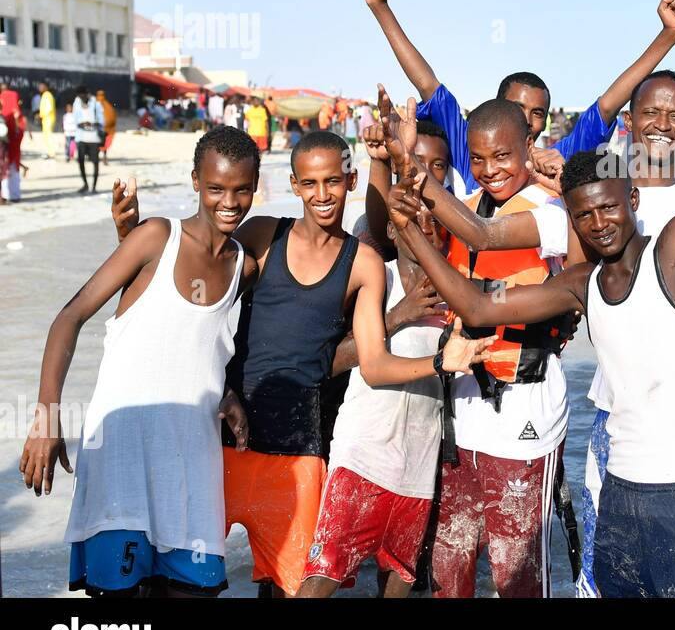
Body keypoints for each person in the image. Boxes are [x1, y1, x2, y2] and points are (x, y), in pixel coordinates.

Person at [387, 0, 675, 597]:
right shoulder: (575, 246)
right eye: (585, 213)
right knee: (570, 578)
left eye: (534, 122)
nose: (598, 222)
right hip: (583, 436)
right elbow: (480, 259)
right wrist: (412, 194)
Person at [112, 129, 466, 597]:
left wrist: (432, 350)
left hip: (300, 448)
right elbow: (196, 292)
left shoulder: (363, 264)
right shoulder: (262, 236)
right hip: (224, 441)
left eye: (334, 182)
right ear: (295, 185)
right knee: (178, 580)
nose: (323, 195)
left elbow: (366, 357)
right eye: (311, 183)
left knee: (287, 588)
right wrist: (129, 241)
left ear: (351, 181)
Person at [20, 128, 263, 596]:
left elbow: (199, 341)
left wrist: (226, 387)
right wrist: (47, 416)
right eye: (215, 188)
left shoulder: (242, 268)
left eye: (242, 190)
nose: (229, 201)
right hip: (122, 459)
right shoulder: (156, 237)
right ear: (195, 180)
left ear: (256, 186)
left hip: (191, 467)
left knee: (193, 590)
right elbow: (69, 317)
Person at [379, 94, 579, 599]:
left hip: (525, 405)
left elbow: (485, 237)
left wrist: (414, 169)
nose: (490, 170)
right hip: (464, 405)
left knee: (518, 571)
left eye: (503, 157)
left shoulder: (550, 212)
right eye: (478, 159)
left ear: (530, 146)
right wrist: (397, 183)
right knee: (451, 562)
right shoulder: (462, 207)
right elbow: (420, 261)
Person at [299, 138, 493, 597]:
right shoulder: (374, 276)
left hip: (420, 463)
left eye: (432, 213)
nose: (423, 220)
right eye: (411, 213)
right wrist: (399, 315)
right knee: (322, 576)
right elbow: (328, 362)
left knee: (400, 583)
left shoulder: (460, 288)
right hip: (362, 456)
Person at [361, 0, 675, 195]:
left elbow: (609, 104)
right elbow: (427, 83)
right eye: (518, 108)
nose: (527, 120)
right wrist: (381, 8)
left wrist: (668, 35)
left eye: (537, 112)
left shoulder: (559, 159)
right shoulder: (468, 150)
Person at [72, 86, 104, 193]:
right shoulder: (76, 103)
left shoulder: (96, 104)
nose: (81, 97)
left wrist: (93, 124)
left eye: (83, 95)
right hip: (81, 137)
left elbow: (101, 121)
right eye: (79, 95)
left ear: (87, 94)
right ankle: (85, 184)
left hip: (93, 138)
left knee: (95, 162)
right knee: (81, 161)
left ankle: (94, 187)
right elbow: (74, 119)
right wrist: (81, 124)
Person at [95, 90, 117, 166]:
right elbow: (113, 116)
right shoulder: (107, 105)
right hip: (105, 129)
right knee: (103, 145)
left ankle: (97, 158)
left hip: (99, 129)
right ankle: (103, 158)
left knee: (97, 144)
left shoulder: (95, 104)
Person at [39, 82, 57, 159]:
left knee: (48, 135)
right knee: (46, 136)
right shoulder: (45, 95)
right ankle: (50, 152)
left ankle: (51, 153)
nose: (40, 88)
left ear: (46, 87)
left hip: (48, 118)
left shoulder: (47, 95)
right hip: (46, 118)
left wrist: (42, 115)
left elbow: (49, 108)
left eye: (41, 86)